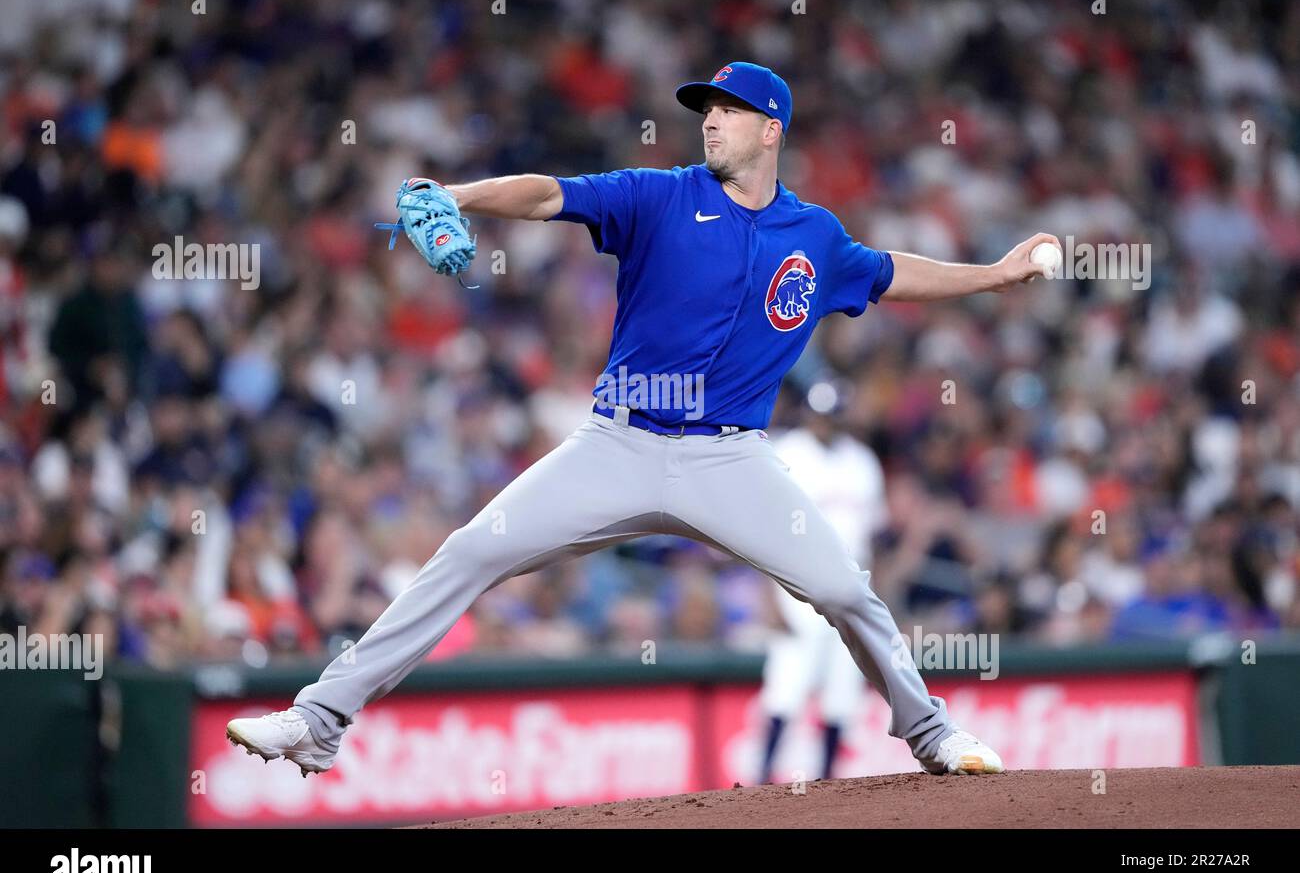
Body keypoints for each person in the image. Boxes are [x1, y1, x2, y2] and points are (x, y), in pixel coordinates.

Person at [228, 61, 1057, 778]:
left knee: (846, 590)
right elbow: (550, 193)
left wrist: (993, 275)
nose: (711, 124)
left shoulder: (816, 235)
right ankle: (318, 721)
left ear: (772, 130)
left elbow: (887, 275)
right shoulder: (658, 196)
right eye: (706, 111)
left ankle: (932, 733)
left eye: (727, 112)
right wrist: (459, 195)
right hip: (616, 443)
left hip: (729, 459)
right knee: (472, 550)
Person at [757, 382, 886, 783]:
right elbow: (762, 530)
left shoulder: (862, 461)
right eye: (819, 414)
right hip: (797, 588)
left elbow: (872, 540)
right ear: (808, 414)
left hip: (850, 588)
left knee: (841, 694)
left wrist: (872, 599)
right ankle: (760, 784)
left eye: (832, 415)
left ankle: (830, 785)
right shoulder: (787, 452)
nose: (825, 422)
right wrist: (768, 595)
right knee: (786, 689)